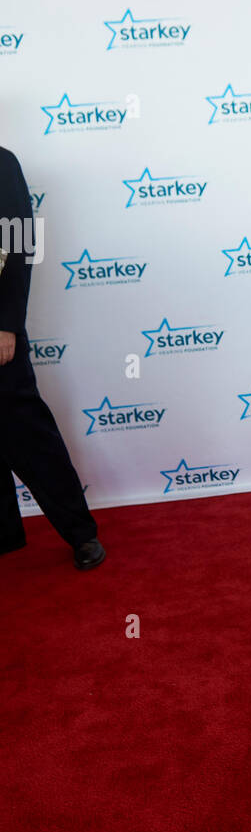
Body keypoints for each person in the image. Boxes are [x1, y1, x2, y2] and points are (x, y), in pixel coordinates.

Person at [0, 145, 105, 569]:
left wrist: (6, 323)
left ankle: (81, 533)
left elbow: (19, 246)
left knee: (27, 433)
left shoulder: (2, 163)